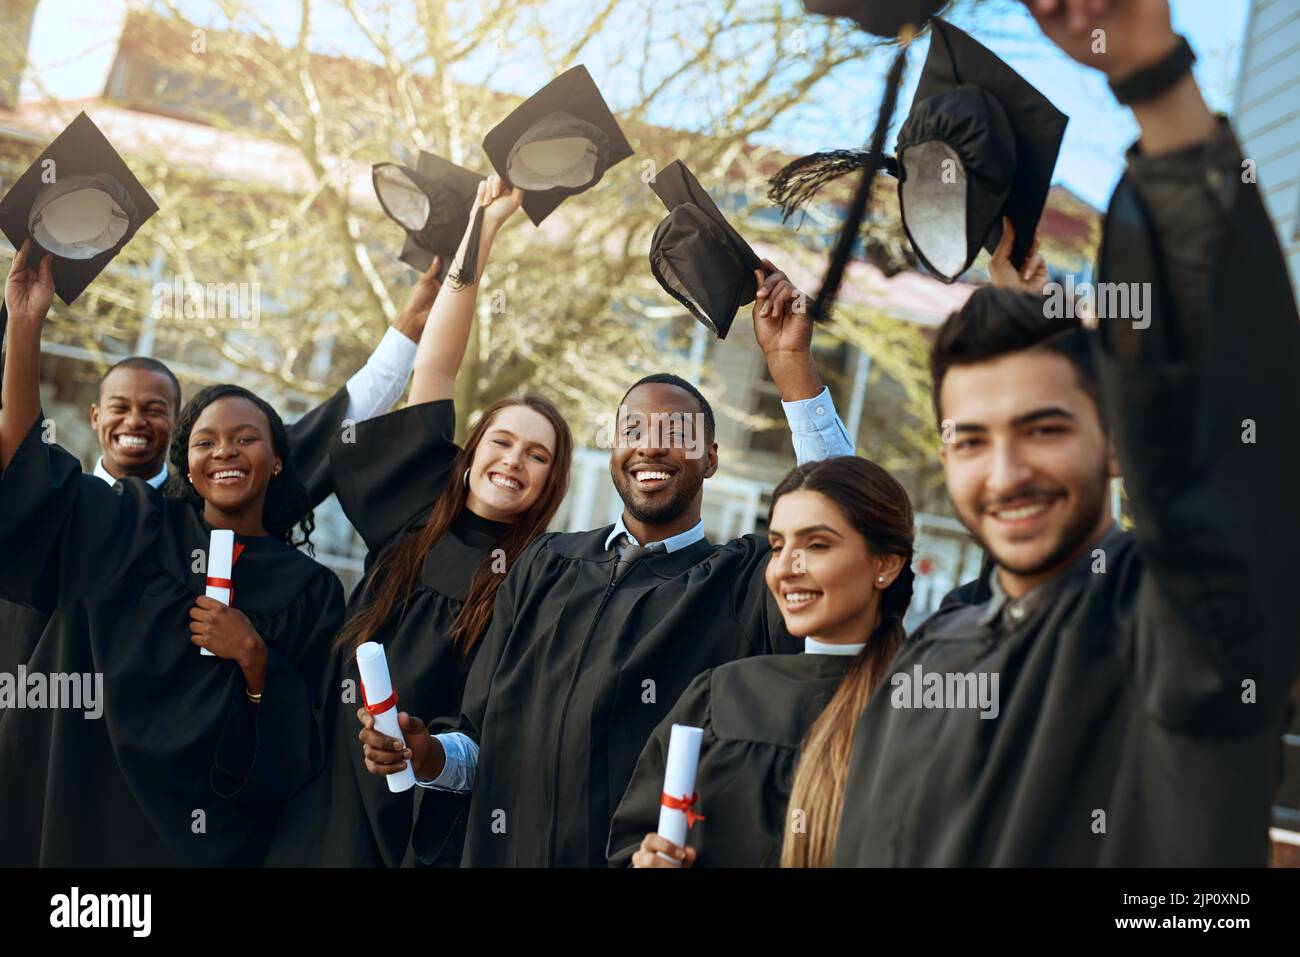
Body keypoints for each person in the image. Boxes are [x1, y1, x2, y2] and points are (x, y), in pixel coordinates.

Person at [833, 0, 1300, 866]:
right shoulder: (934, 655)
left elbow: (1238, 404)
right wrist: (1018, 306)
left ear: (1118, 441)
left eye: (1043, 426)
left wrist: (1151, 73)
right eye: (971, 438)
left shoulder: (1177, 619)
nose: (1005, 470)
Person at [362, 254, 858, 868]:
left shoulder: (741, 581)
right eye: (633, 430)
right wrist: (431, 756)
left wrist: (790, 366)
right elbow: (480, 740)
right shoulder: (545, 565)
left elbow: (837, 517)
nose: (652, 444)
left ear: (710, 459)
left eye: (676, 434)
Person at [0, 240, 346, 866]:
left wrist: (256, 658)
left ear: (277, 459)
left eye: (246, 439)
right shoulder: (134, 522)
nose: (226, 452)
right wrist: (26, 326)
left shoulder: (312, 590)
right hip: (89, 816)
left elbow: (311, 748)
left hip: (208, 846)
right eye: (206, 440)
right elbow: (26, 475)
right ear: (185, 459)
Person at [268, 175, 574, 867]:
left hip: (417, 801)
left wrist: (427, 755)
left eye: (536, 455)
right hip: (323, 768)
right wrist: (484, 229)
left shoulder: (538, 572)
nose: (512, 461)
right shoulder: (418, 506)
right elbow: (437, 362)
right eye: (500, 441)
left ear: (550, 482)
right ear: (469, 455)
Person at [0, 253, 442, 684]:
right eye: (208, 441)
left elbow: (324, 430)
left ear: (175, 431)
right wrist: (24, 323)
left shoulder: (203, 516)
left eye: (154, 409)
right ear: (95, 415)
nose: (135, 420)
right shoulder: (94, 509)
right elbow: (24, 460)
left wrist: (413, 326)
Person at [608, 456, 914, 867]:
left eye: (817, 545)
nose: (786, 568)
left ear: (886, 563)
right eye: (777, 546)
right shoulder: (721, 696)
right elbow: (634, 842)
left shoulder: (926, 718)